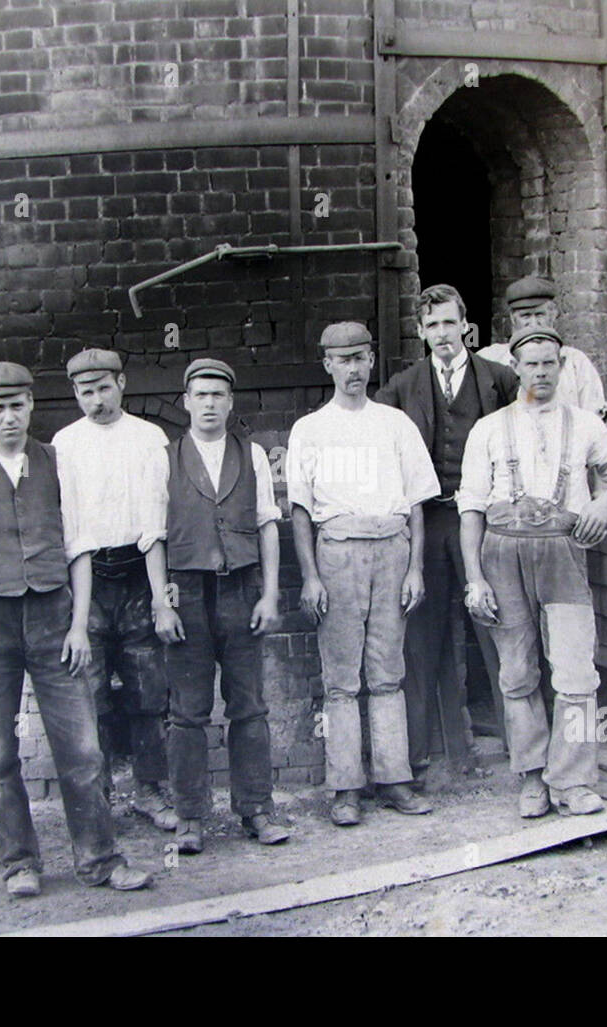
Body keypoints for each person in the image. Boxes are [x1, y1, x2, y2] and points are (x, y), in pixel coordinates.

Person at [0, 361, 150, 898]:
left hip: (54, 620)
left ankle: (100, 860)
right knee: (0, 753)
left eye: (18, 406)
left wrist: (78, 626)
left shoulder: (59, 465)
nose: (9, 417)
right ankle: (20, 863)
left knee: (82, 749)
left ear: (32, 406)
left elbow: (79, 549)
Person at [459, 328, 607, 817]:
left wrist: (603, 502)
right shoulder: (489, 429)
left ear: (561, 367)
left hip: (563, 553)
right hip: (503, 556)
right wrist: (474, 577)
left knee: (576, 670)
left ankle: (575, 780)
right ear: (516, 368)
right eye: (531, 364)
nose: (540, 373)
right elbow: (471, 507)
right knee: (517, 672)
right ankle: (533, 776)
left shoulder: (583, 425)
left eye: (549, 364)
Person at [286, 321, 441, 827]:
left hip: (391, 551)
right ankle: (346, 787)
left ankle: (394, 779)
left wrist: (415, 567)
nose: (353, 368)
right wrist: (311, 577)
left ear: (372, 361)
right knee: (340, 679)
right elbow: (301, 512)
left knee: (387, 672)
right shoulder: (310, 429)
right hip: (338, 555)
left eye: (360, 357)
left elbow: (418, 501)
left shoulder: (394, 424)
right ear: (326, 364)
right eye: (342, 359)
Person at [373, 283, 516, 787]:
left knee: (497, 631)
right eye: (432, 326)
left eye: (449, 324)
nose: (442, 334)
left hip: (482, 520)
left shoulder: (500, 380)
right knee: (421, 639)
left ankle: (524, 755)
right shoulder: (401, 386)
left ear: (465, 327)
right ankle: (415, 761)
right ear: (421, 332)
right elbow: (377, 448)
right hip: (427, 524)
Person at [163, 358, 291, 854]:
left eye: (219, 395)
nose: (210, 403)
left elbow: (266, 525)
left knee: (250, 706)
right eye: (201, 395)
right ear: (187, 401)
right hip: (187, 590)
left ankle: (256, 809)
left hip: (240, 588)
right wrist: (162, 602)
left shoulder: (252, 453)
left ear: (230, 402)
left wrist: (271, 591)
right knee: (187, 712)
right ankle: (190, 817)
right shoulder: (167, 456)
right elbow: (154, 535)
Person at [51, 348, 179, 832]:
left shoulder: (149, 439)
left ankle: (149, 790)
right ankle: (97, 797)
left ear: (122, 383)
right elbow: (67, 523)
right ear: (75, 394)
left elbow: (155, 519)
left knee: (149, 691)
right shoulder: (64, 445)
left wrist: (160, 596)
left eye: (104, 388)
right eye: (86, 392)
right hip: (86, 580)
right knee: (90, 695)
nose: (97, 400)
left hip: (137, 574)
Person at [476, 275, 607, 418]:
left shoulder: (576, 363)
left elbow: (594, 418)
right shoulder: (489, 359)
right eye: (526, 316)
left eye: (540, 315)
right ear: (513, 319)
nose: (533, 324)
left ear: (553, 315)